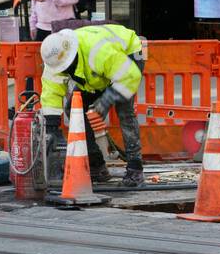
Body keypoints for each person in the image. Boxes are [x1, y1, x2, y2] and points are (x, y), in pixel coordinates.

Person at [39, 24, 146, 187]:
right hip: (96, 70)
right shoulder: (54, 58)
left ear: (72, 56)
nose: (66, 70)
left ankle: (135, 170)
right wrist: (52, 127)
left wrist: (105, 101)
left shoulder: (99, 52)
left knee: (124, 109)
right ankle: (97, 166)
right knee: (73, 110)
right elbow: (51, 92)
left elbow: (128, 77)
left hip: (128, 52)